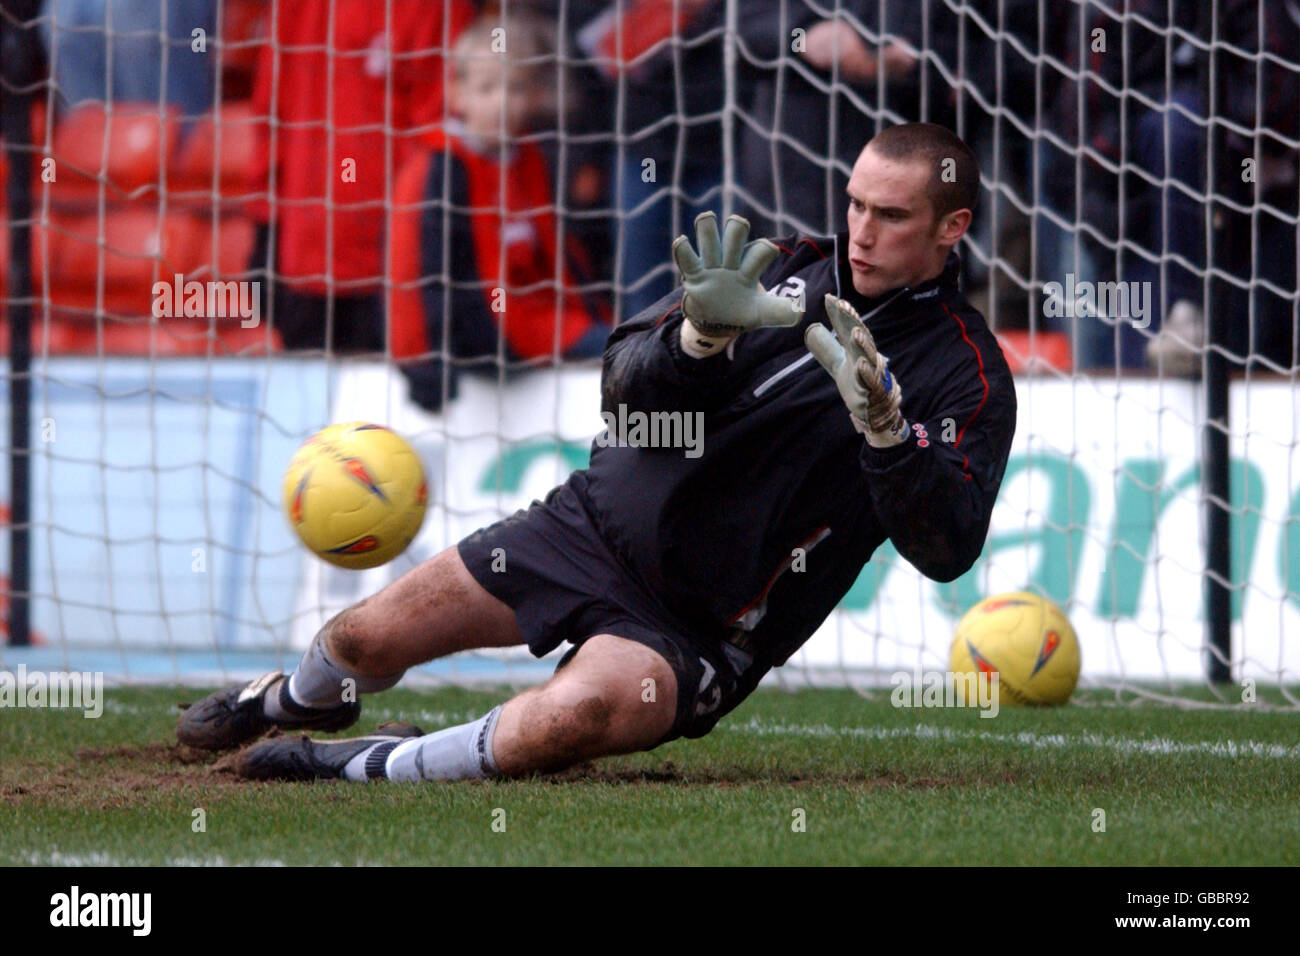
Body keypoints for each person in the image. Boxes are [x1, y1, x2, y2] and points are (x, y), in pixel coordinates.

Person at [177, 123, 1017, 783]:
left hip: (695, 630)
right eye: (856, 204)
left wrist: (887, 439)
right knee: (361, 641)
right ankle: (289, 702)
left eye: (892, 215)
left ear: (954, 227)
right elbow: (620, 382)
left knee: (559, 724)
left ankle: (359, 767)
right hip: (581, 529)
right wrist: (696, 338)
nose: (861, 232)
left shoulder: (966, 371)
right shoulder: (773, 272)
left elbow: (947, 546)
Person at [391, 11, 612, 414]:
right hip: (492, 332)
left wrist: (593, 312)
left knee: (628, 340)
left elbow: (556, 249)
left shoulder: (527, 156)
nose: (503, 104)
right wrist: (427, 364)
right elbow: (418, 274)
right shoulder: (441, 168)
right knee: (623, 352)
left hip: (538, 318)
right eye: (488, 89)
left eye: (517, 89)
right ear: (458, 94)